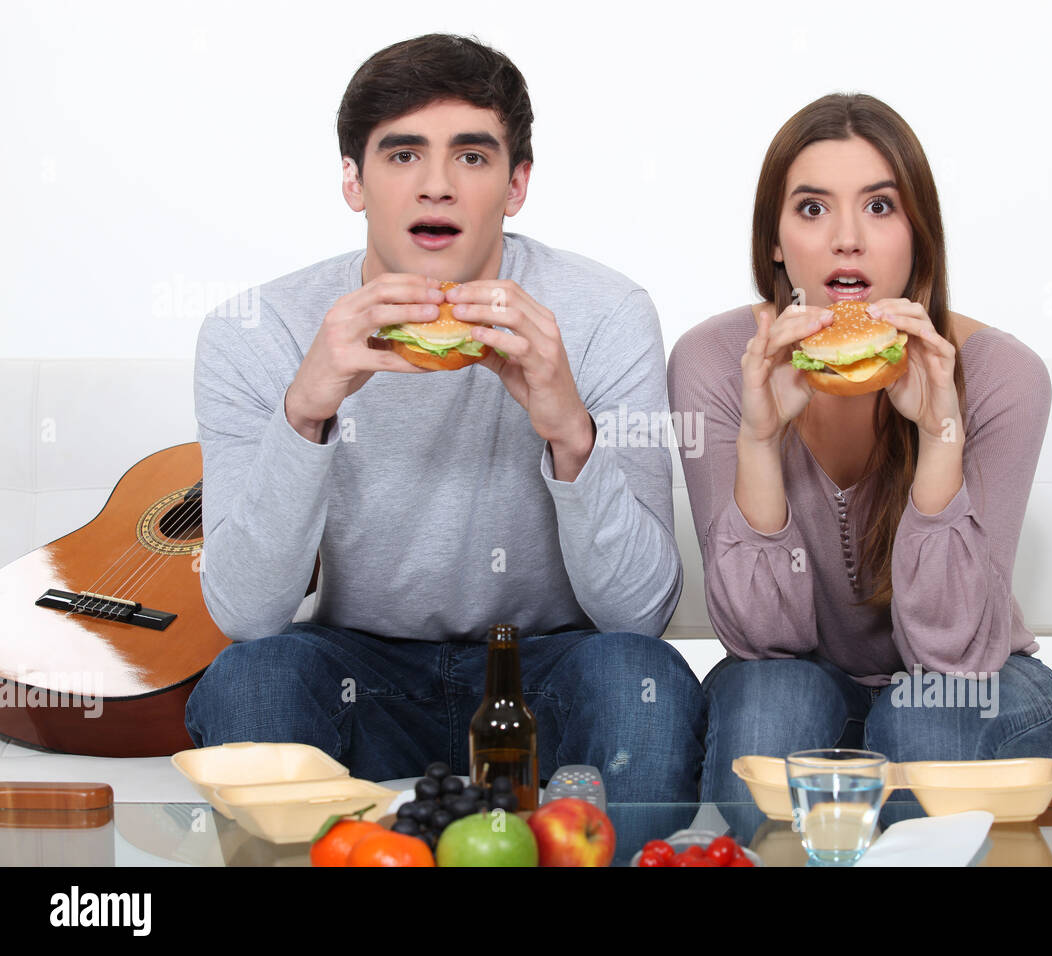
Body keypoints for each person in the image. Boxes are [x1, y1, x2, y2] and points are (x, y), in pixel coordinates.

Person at [185, 34, 705, 804]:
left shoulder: (603, 313)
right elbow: (246, 613)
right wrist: (306, 411)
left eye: (471, 156)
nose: (436, 186)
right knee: (251, 682)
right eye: (401, 156)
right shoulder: (256, 330)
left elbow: (639, 613)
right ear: (353, 182)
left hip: (543, 671)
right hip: (357, 670)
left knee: (642, 681)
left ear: (516, 183)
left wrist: (569, 430)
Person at [667, 93, 1052, 809]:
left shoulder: (1007, 375)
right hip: (801, 678)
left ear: (919, 234)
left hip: (978, 677)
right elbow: (762, 641)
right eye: (814, 209)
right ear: (775, 240)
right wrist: (760, 440)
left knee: (921, 715)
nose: (846, 239)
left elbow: (952, 656)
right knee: (767, 707)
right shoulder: (714, 361)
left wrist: (941, 436)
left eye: (880, 207)